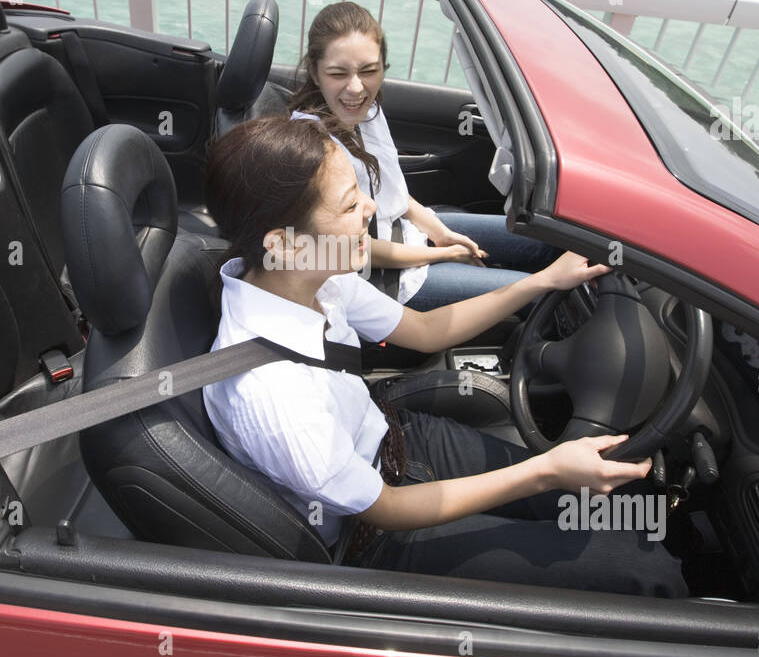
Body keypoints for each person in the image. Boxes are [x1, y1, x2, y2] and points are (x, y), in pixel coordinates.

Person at [201, 114, 687, 596]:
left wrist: (541, 283)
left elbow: (427, 330)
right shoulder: (274, 396)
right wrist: (546, 472)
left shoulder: (313, 273)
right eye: (350, 205)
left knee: (626, 502)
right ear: (283, 244)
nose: (371, 208)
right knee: (647, 571)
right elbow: (386, 508)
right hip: (379, 534)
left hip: (397, 440)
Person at [287, 0, 557, 307]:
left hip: (407, 235)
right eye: (338, 73)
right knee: (541, 295)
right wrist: (444, 253)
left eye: (369, 71)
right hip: (379, 280)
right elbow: (354, 249)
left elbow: (392, 192)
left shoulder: (369, 112)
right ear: (314, 71)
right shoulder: (313, 149)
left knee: (546, 241)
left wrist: (440, 232)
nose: (356, 88)